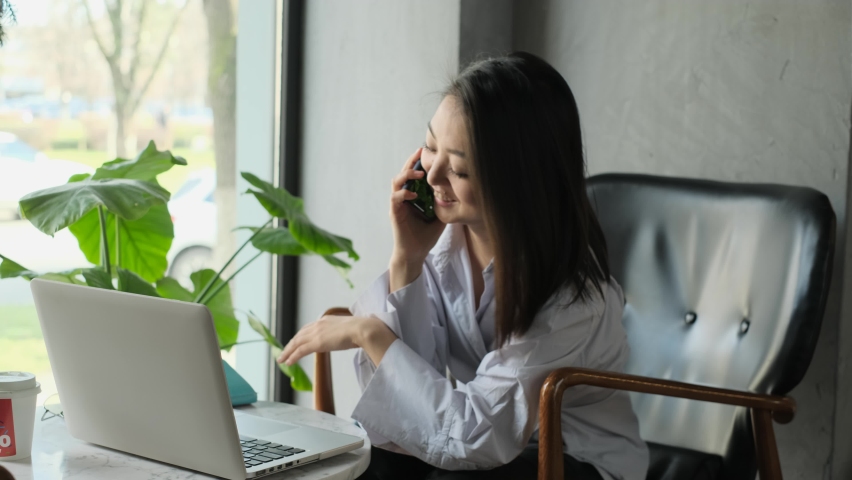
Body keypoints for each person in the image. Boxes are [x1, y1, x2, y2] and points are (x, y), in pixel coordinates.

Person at [276, 52, 649, 480]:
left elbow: (477, 435)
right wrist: (408, 260)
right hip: (488, 449)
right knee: (361, 463)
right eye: (430, 147)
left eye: (459, 169)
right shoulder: (445, 243)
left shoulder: (572, 300)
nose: (432, 176)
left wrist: (369, 332)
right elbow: (412, 400)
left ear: (516, 180)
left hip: (573, 461)